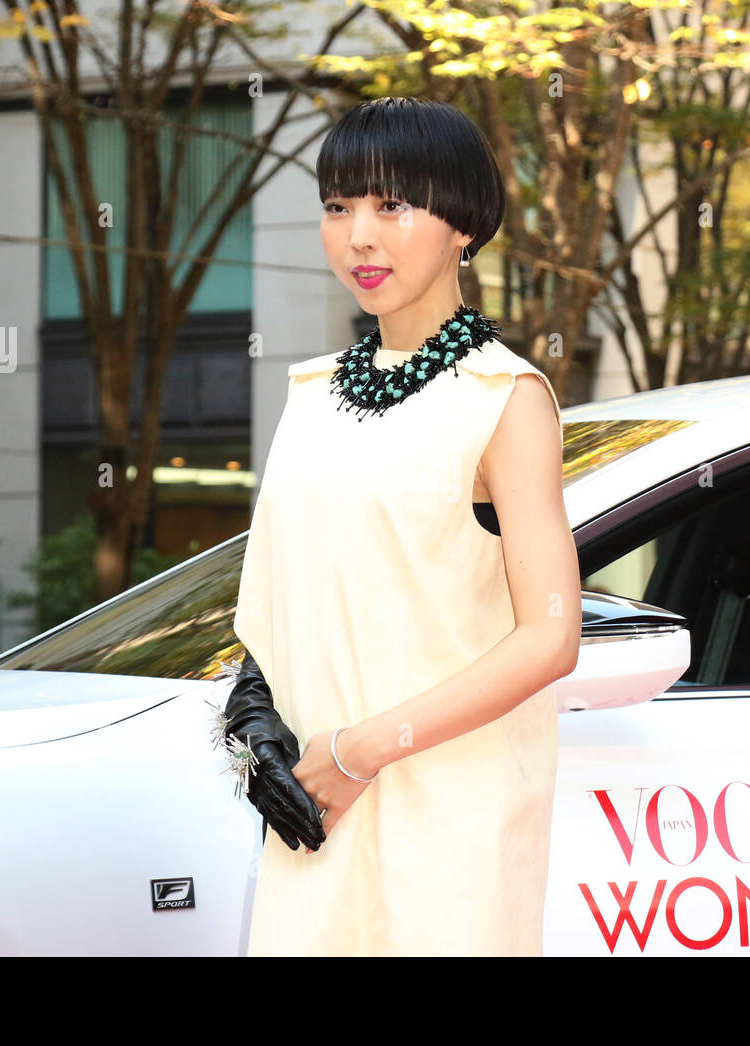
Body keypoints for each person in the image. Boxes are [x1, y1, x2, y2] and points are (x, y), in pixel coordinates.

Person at [225, 97, 580, 956]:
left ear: (463, 223)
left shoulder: (506, 400)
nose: (360, 238)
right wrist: (254, 721)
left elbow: (552, 637)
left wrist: (362, 750)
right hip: (316, 814)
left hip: (451, 829)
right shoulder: (310, 398)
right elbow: (279, 605)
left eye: (393, 205)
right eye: (339, 207)